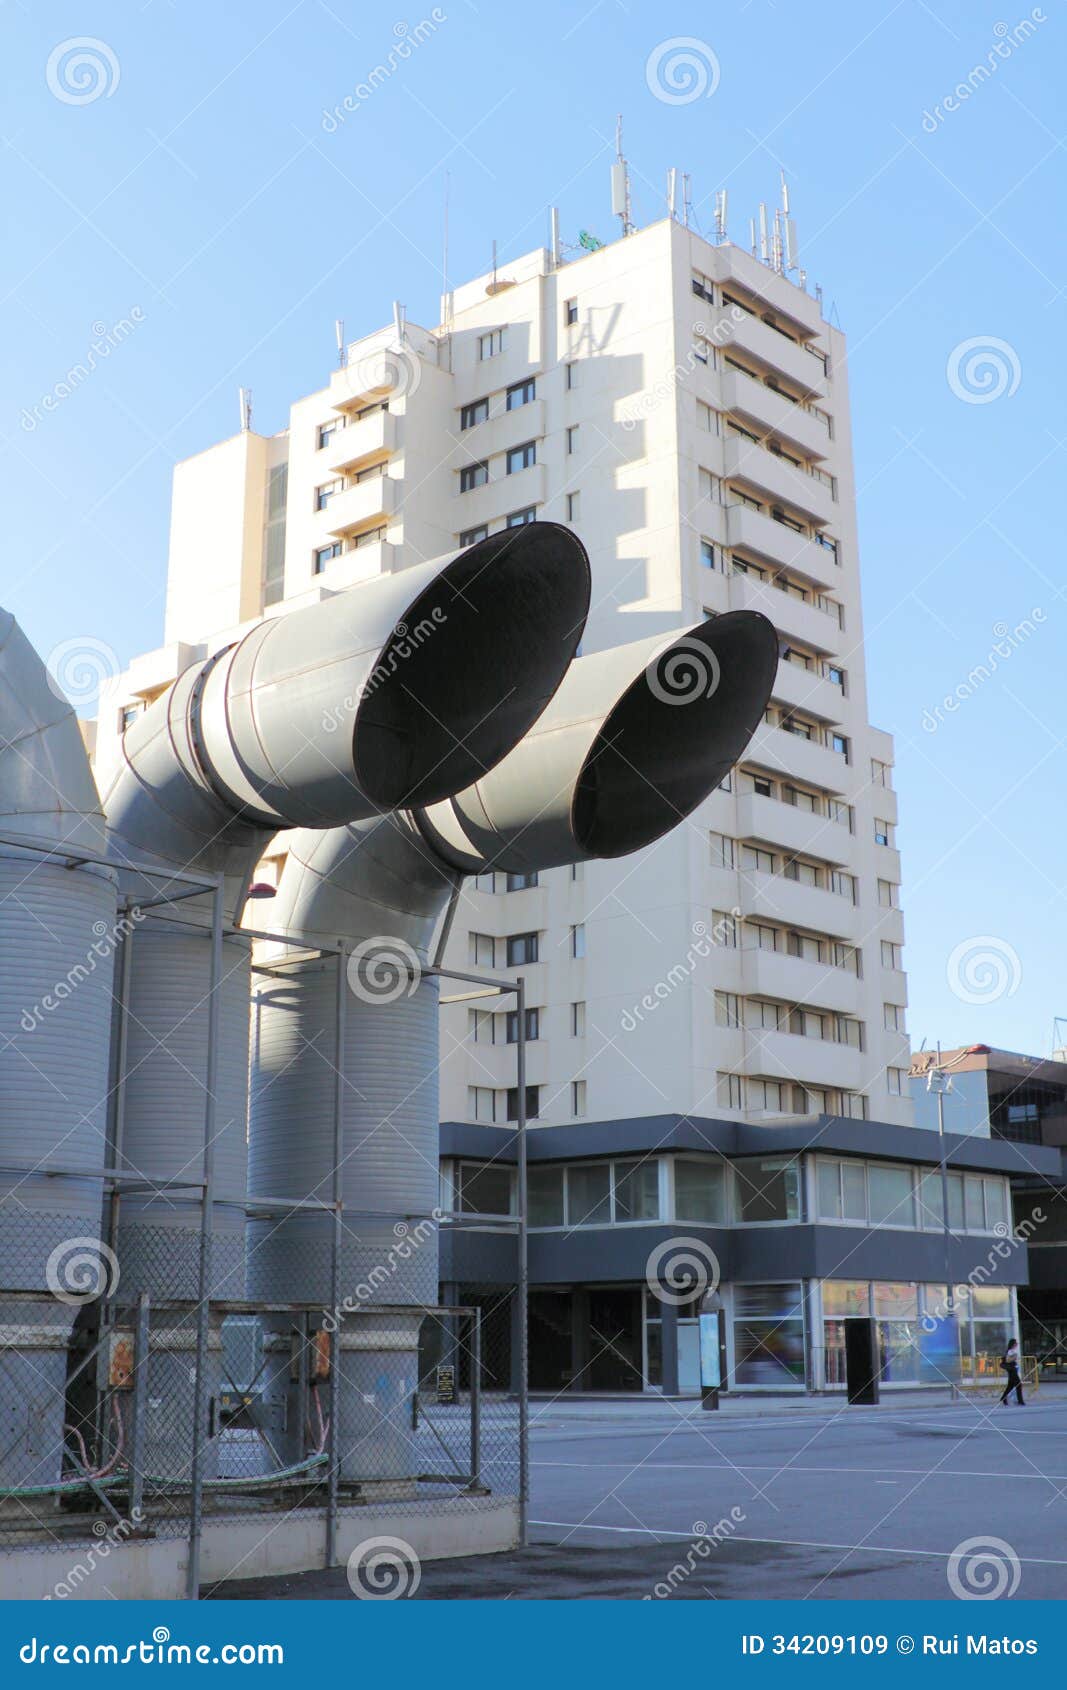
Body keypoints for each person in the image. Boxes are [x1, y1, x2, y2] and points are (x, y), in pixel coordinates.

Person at [1000, 1338, 1025, 1406]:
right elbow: (1008, 1360)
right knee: (1018, 1385)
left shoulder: (1011, 1351)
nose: (1016, 1344)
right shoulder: (1011, 1351)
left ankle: (1003, 1398)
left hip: (1012, 1369)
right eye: (1015, 1343)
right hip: (1012, 1370)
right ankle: (1020, 1401)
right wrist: (1014, 1357)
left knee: (1010, 1386)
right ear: (1013, 1344)